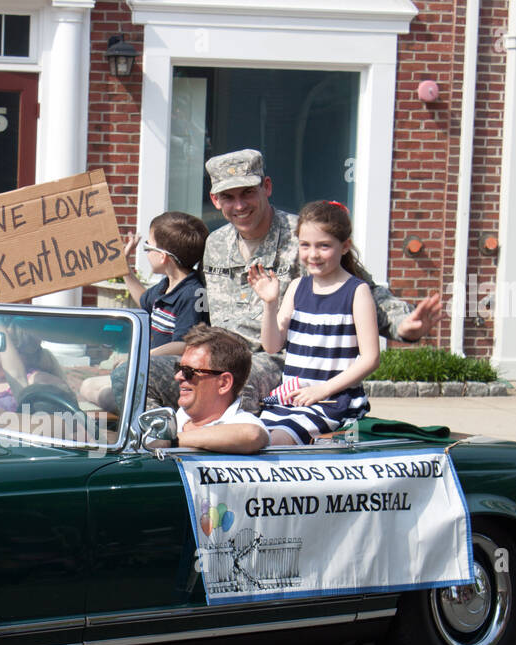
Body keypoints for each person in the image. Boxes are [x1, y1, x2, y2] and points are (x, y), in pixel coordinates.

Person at [150, 148, 441, 410]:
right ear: (215, 200)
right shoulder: (214, 244)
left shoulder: (304, 238)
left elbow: (363, 289)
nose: (239, 205)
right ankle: (158, 449)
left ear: (266, 187)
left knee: (230, 391)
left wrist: (404, 325)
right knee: (135, 378)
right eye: (228, 196)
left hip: (275, 361)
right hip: (211, 358)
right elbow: (188, 291)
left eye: (247, 192)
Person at [252, 201, 378, 445]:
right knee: (247, 433)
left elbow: (371, 359)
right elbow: (271, 346)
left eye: (324, 246)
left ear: (345, 247)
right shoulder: (297, 287)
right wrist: (270, 303)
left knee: (267, 441)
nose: (313, 254)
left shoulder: (356, 291)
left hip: (333, 403)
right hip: (291, 399)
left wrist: (323, 390)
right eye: (305, 245)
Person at [80, 211, 209, 413]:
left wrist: (143, 357)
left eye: (148, 247)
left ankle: (154, 414)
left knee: (100, 392)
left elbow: (184, 343)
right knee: (87, 386)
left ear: (163, 256)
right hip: (149, 368)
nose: (146, 252)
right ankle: (143, 409)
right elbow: (143, 299)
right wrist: (125, 269)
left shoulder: (191, 292)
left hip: (171, 376)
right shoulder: (168, 285)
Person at [171, 326, 269, 454]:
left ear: (224, 383)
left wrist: (171, 441)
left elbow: (252, 434)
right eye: (179, 368)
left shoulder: (241, 422)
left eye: (189, 371)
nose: (178, 376)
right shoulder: (175, 418)